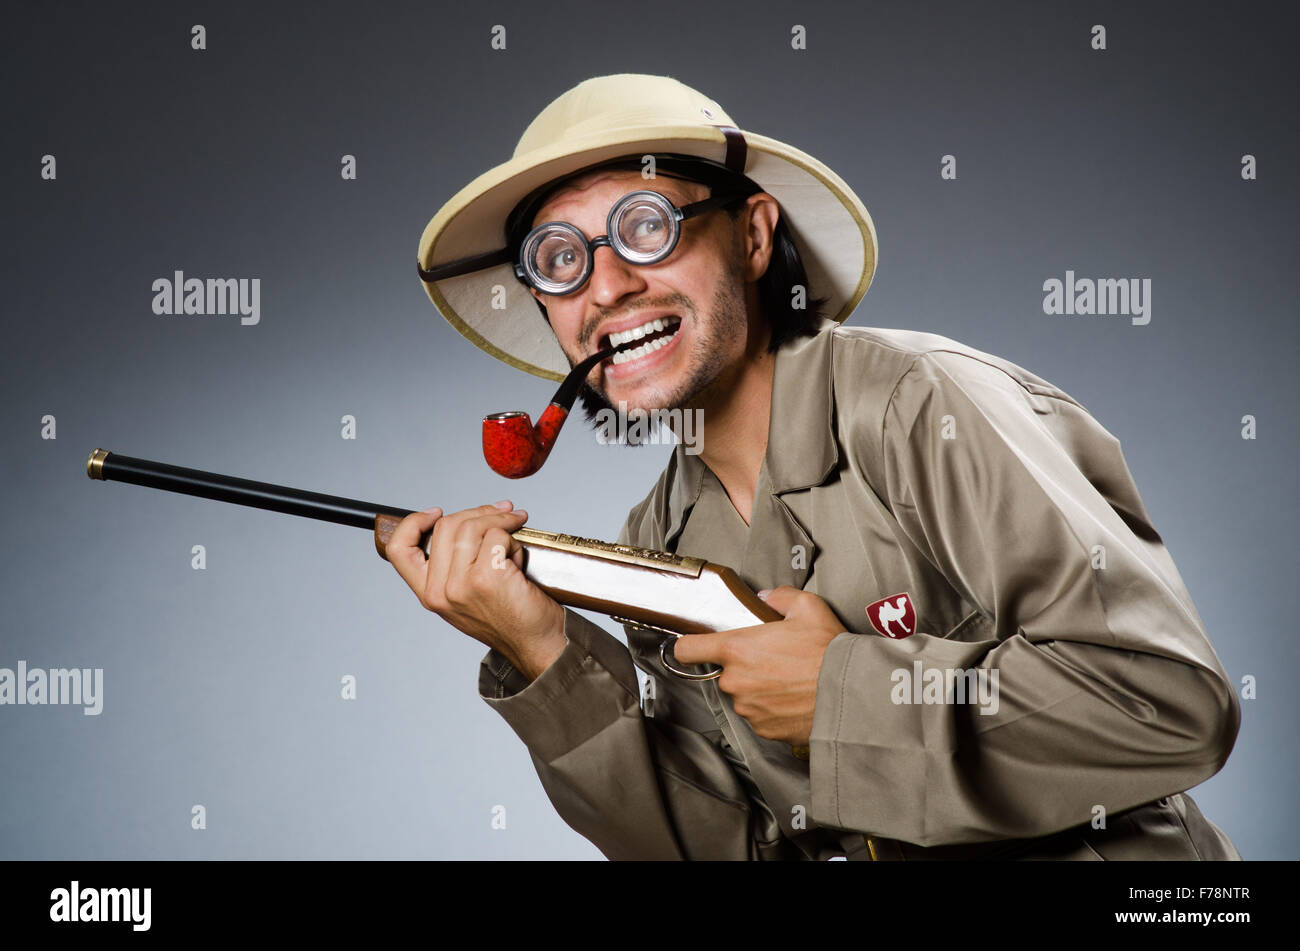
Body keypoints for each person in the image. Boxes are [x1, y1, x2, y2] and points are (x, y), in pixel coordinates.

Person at [386, 74, 1241, 860]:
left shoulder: (917, 407)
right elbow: (746, 850)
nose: (604, 287)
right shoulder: (654, 541)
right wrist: (544, 652)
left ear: (754, 237)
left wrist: (843, 693)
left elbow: (1168, 704)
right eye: (561, 259)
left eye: (645, 226)